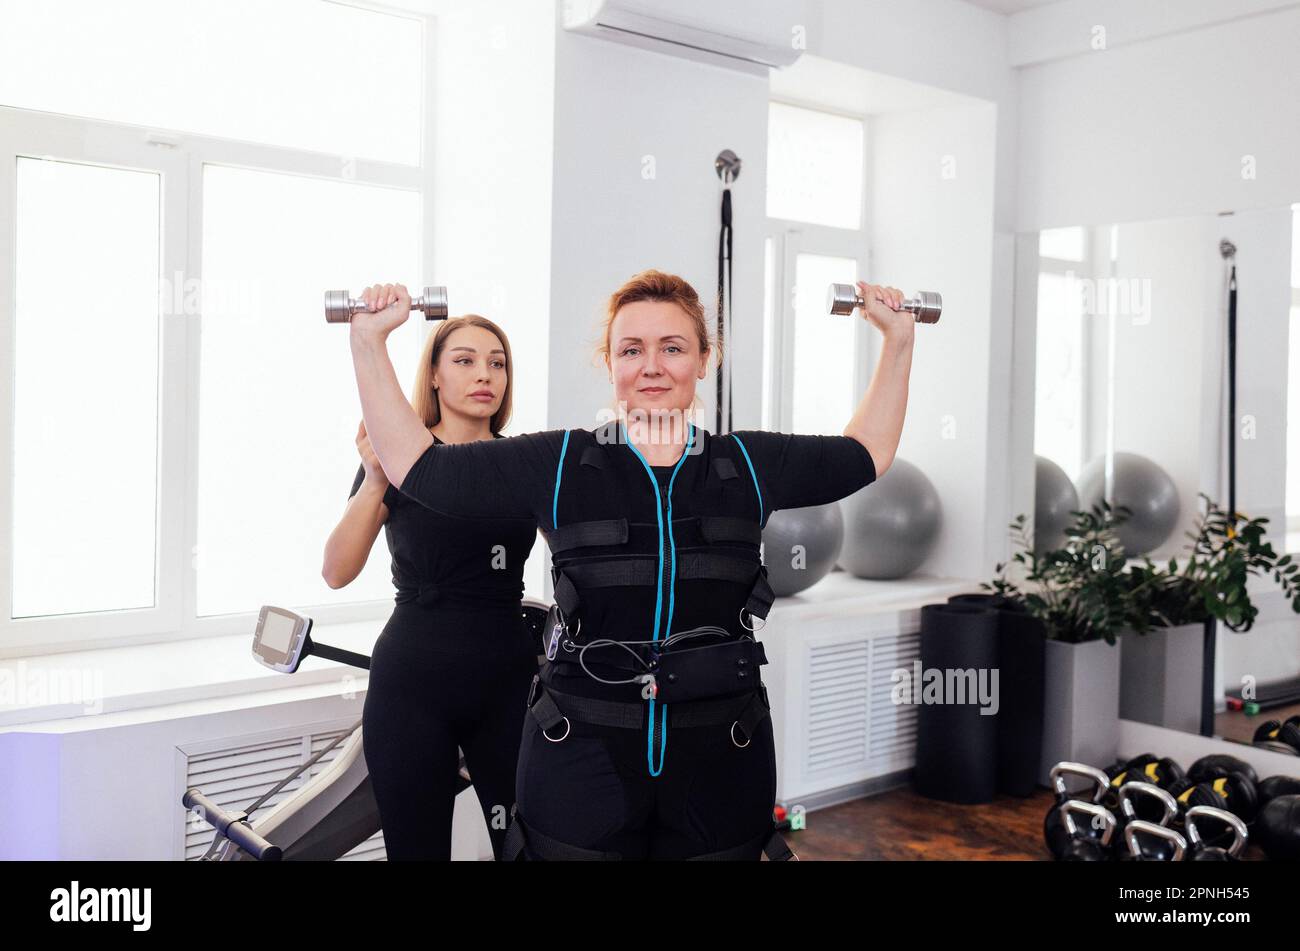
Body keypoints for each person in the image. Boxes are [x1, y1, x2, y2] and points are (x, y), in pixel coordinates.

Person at [347, 270, 913, 859]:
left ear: (703, 361)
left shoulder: (746, 462)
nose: (652, 366)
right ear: (609, 363)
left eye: (672, 348)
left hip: (719, 759)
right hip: (580, 758)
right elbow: (419, 468)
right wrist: (369, 342)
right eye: (631, 349)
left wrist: (898, 341)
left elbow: (865, 454)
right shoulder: (561, 461)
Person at [322, 306, 539, 860]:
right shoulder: (401, 458)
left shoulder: (523, 461)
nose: (484, 374)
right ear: (436, 376)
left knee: (528, 846)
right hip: (413, 684)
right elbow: (336, 571)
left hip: (506, 682)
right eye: (464, 361)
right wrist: (375, 479)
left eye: (497, 363)